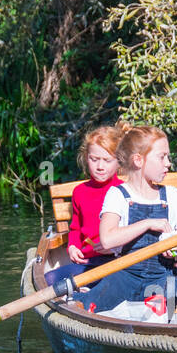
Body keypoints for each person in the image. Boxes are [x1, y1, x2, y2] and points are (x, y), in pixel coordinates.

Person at [80, 126, 177, 316]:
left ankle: (155, 319)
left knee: (170, 290)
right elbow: (107, 239)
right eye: (162, 156)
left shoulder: (170, 195)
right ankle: (85, 299)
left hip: (162, 277)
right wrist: (147, 223)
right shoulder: (118, 194)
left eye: (168, 157)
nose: (168, 163)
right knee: (89, 307)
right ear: (138, 160)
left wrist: (176, 247)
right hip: (125, 276)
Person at [45, 123, 125, 289]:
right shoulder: (80, 192)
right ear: (86, 157)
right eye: (94, 159)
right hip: (88, 263)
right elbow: (75, 228)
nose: (100, 166)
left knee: (112, 282)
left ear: (119, 161)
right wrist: (73, 247)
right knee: (48, 280)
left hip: (119, 262)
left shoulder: (125, 191)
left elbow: (133, 231)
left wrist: (115, 248)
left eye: (107, 160)